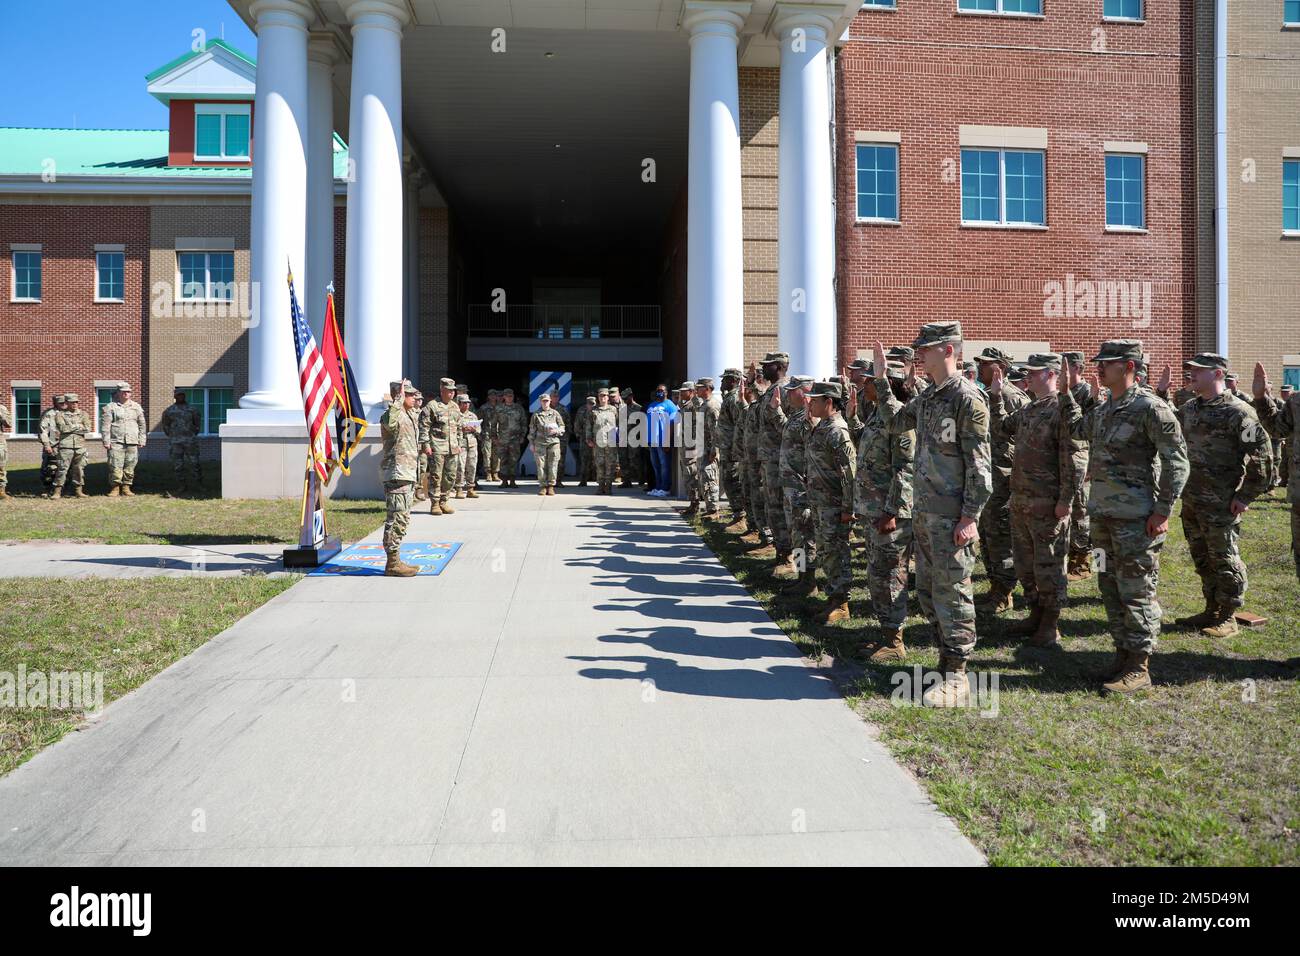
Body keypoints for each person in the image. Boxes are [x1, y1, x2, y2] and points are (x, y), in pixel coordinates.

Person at [872, 323, 991, 708]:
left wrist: (969, 515)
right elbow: (895, 422)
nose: (919, 354)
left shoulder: (966, 398)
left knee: (953, 591)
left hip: (952, 516)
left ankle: (958, 676)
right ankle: (944, 665)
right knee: (929, 592)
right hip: (925, 514)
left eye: (925, 348)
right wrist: (880, 383)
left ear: (948, 350)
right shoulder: (929, 398)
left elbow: (980, 466)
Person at [1060, 340, 1189, 694]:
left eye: (1108, 363)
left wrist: (1163, 509)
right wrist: (1068, 392)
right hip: (1102, 518)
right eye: (1099, 362)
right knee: (1109, 586)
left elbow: (1177, 462)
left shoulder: (1151, 408)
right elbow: (1076, 430)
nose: (1099, 368)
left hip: (1136, 519)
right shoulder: (1104, 410)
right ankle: (1122, 652)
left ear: (1129, 366)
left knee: (1136, 591)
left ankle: (1140, 665)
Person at [1156, 355, 1268, 637]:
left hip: (1222, 503)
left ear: (1218, 373)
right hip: (1192, 499)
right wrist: (1160, 393)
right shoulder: (1190, 408)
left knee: (1225, 558)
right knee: (1202, 557)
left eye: (1197, 371)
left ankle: (1228, 616)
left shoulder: (1239, 412)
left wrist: (1245, 496)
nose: (1190, 374)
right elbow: (1165, 426)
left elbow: (1263, 456)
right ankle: (1211, 609)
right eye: (1190, 370)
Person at [988, 353, 1085, 648]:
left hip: (1048, 504)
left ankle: (1050, 625)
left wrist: (1066, 500)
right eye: (1026, 372)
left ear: (1053, 374)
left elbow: (1076, 459)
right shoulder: (1030, 409)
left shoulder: (1063, 410)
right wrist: (994, 398)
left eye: (1035, 372)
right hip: (1021, 502)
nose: (1027, 376)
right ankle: (1035, 613)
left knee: (1049, 566)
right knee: (1025, 565)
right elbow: (1001, 428)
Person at [848, 360, 915, 662]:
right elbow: (866, 446)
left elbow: (905, 469)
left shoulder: (901, 420)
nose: (864, 386)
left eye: (870, 382)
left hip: (890, 514)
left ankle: (895, 641)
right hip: (873, 510)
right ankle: (886, 634)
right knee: (877, 573)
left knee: (891, 574)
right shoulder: (878, 414)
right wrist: (852, 419)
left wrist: (891, 510)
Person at [974, 347, 1029, 615]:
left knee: (1001, 538)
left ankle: (1005, 591)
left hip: (1004, 479)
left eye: (985, 364)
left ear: (1000, 368)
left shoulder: (1012, 397)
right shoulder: (984, 395)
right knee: (987, 536)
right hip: (987, 478)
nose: (979, 368)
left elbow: (1027, 439)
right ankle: (996, 585)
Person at [804, 381, 857, 625]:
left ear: (829, 402)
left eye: (814, 400)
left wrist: (848, 508)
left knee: (836, 552)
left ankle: (842, 603)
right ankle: (833, 596)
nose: (810, 403)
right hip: (820, 503)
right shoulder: (822, 426)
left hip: (834, 505)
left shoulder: (837, 431)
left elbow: (849, 473)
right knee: (826, 552)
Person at [774, 377, 817, 593]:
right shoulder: (796, 415)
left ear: (805, 391)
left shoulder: (810, 417)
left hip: (801, 486)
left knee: (805, 533)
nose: (788, 394)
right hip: (790, 485)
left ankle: (809, 580)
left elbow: (815, 448)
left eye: (793, 391)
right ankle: (801, 575)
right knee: (796, 533)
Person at [1061, 350, 1097, 580]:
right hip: (1064, 458)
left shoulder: (1086, 393)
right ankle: (1069, 555)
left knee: (1081, 511)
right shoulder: (1063, 392)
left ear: (1076, 368)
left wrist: (1093, 465)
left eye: (1065, 366)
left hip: (1082, 460)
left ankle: (1082, 562)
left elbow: (1094, 430)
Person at [380, 381, 420, 577]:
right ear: (400, 395)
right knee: (396, 518)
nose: (414, 397)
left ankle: (395, 559)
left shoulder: (408, 414)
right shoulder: (391, 415)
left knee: (402, 517)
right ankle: (392, 563)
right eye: (410, 394)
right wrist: (397, 398)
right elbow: (390, 423)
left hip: (406, 473)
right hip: (397, 473)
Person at [758, 352, 792, 566]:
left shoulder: (787, 390)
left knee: (785, 510)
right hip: (770, 459)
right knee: (773, 507)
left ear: (779, 366)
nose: (763, 369)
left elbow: (792, 428)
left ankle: (792, 559)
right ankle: (781, 552)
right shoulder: (771, 389)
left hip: (783, 460)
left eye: (767, 365)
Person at [420, 377, 461, 515]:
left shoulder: (455, 407)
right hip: (437, 446)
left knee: (450, 476)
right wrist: (426, 445)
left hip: (452, 447)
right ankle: (435, 503)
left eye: (453, 391)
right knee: (436, 476)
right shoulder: (432, 406)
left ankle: (444, 501)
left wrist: (459, 443)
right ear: (442, 390)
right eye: (448, 391)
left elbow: (459, 427)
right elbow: (424, 427)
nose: (451, 394)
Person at [101, 382, 147, 497]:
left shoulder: (136, 407)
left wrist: (142, 439)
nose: (126, 393)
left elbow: (142, 425)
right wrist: (106, 440)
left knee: (130, 465)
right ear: (118, 393)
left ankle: (126, 487)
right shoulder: (111, 407)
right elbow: (105, 426)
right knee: (115, 465)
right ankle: (115, 488)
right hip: (116, 441)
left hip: (132, 441)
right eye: (124, 392)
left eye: (128, 391)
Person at [716, 368, 745, 527]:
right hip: (727, 448)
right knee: (728, 480)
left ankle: (740, 516)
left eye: (725, 379)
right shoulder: (728, 397)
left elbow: (738, 424)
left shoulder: (734, 398)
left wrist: (736, 448)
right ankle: (737, 514)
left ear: (733, 380)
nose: (722, 382)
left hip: (733, 449)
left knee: (733, 481)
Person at [160, 389, 203, 496]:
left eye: (182, 395)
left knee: (195, 463)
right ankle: (182, 485)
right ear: (175, 396)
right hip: (175, 443)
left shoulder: (192, 409)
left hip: (190, 441)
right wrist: (173, 436)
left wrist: (191, 434)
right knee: (178, 465)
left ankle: (198, 485)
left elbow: (197, 425)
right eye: (178, 395)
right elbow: (165, 426)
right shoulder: (169, 411)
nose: (180, 397)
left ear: (185, 396)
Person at [49, 393, 92, 499]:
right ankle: (57, 491)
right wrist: (78, 426)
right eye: (72, 402)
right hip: (65, 446)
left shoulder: (83, 414)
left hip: (79, 445)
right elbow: (62, 429)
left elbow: (87, 428)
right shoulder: (60, 414)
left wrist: (71, 427)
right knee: (62, 469)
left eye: (76, 402)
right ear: (67, 403)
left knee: (79, 469)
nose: (75, 404)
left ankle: (79, 491)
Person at [529, 392, 565, 495]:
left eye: (547, 401)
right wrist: (531, 443)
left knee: (553, 464)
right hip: (540, 443)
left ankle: (551, 486)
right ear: (540, 402)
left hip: (553, 443)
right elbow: (532, 430)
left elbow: (562, 426)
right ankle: (543, 486)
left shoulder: (555, 413)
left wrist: (557, 431)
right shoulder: (536, 414)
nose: (545, 403)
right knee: (541, 465)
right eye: (543, 401)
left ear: (550, 401)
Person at [587, 388, 619, 494]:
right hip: (598, 442)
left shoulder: (613, 409)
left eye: (605, 395)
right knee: (599, 464)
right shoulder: (593, 410)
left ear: (608, 397)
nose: (603, 397)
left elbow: (619, 424)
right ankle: (600, 486)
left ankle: (608, 487)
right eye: (601, 396)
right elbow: (589, 426)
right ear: (598, 397)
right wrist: (589, 439)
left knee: (610, 464)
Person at [494, 388, 528, 487]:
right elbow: (493, 423)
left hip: (515, 439)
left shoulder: (519, 408)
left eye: (511, 396)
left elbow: (524, 423)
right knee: (503, 460)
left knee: (513, 460)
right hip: (502, 439)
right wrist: (494, 437)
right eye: (507, 396)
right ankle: (504, 481)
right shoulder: (498, 408)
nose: (510, 398)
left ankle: (512, 480)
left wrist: (522, 436)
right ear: (504, 397)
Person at [455, 393, 481, 499]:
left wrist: (473, 429)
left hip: (472, 444)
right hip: (460, 444)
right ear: (459, 403)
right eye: (464, 403)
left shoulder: (473, 415)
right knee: (460, 466)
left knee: (472, 466)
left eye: (468, 403)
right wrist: (461, 429)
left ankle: (470, 488)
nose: (467, 405)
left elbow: (479, 431)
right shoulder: (455, 415)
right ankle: (459, 489)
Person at [39, 395, 66, 493]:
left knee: (64, 468)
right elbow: (43, 431)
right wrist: (47, 445)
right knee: (50, 469)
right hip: (53, 446)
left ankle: (61, 489)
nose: (63, 405)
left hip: (66, 446)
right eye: (61, 403)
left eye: (65, 402)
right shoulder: (49, 414)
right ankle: (47, 489)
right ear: (55, 403)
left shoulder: (67, 414)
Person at [575, 395, 595, 487]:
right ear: (587, 404)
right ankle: (583, 480)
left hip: (597, 439)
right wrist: (579, 435)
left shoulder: (599, 410)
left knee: (597, 459)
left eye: (593, 404)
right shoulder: (581, 410)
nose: (591, 406)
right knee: (584, 459)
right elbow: (577, 424)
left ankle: (596, 478)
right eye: (590, 404)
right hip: (584, 438)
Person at [0, 398, 10, 500]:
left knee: (1, 466)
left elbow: (9, 423)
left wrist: (2, 415)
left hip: (0, 442)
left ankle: (1, 491)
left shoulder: (2, 408)